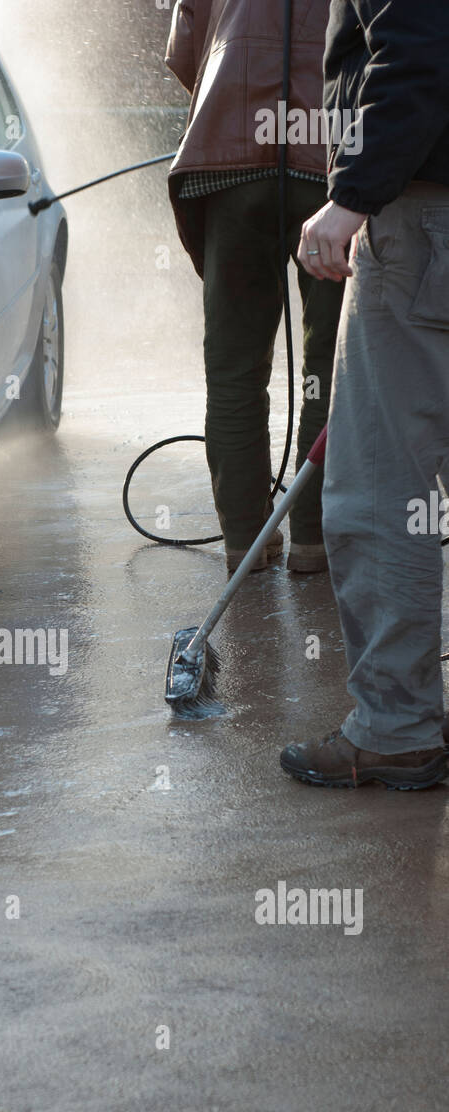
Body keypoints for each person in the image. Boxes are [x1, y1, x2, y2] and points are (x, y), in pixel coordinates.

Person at [281, 0, 449, 790]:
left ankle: (395, 729)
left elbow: (418, 50)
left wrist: (352, 197)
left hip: (421, 219)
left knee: (383, 487)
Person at [166, 0, 343, 575]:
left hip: (229, 154)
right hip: (334, 164)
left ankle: (246, 543)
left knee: (235, 367)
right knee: (331, 364)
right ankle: (315, 542)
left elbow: (184, 50)